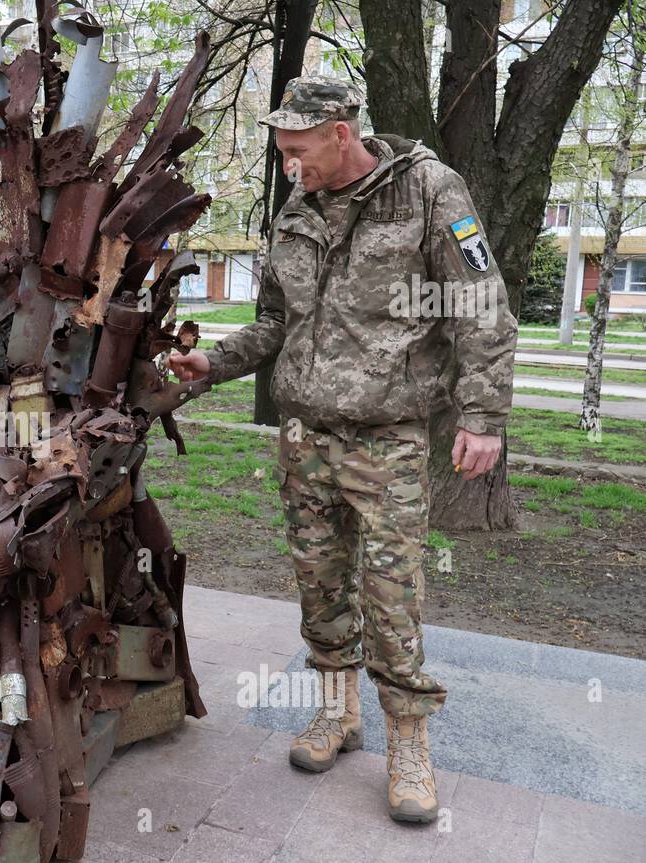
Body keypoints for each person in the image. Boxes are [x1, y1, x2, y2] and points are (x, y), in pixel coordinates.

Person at [168, 75, 517, 823]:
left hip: (388, 439)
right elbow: (274, 321)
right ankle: (337, 713)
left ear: (341, 130)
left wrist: (482, 417)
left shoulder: (429, 190)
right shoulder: (297, 204)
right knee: (321, 587)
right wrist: (214, 364)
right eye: (282, 152)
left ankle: (409, 747)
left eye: (300, 150)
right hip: (306, 436)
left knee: (393, 600)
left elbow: (482, 308)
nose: (290, 165)